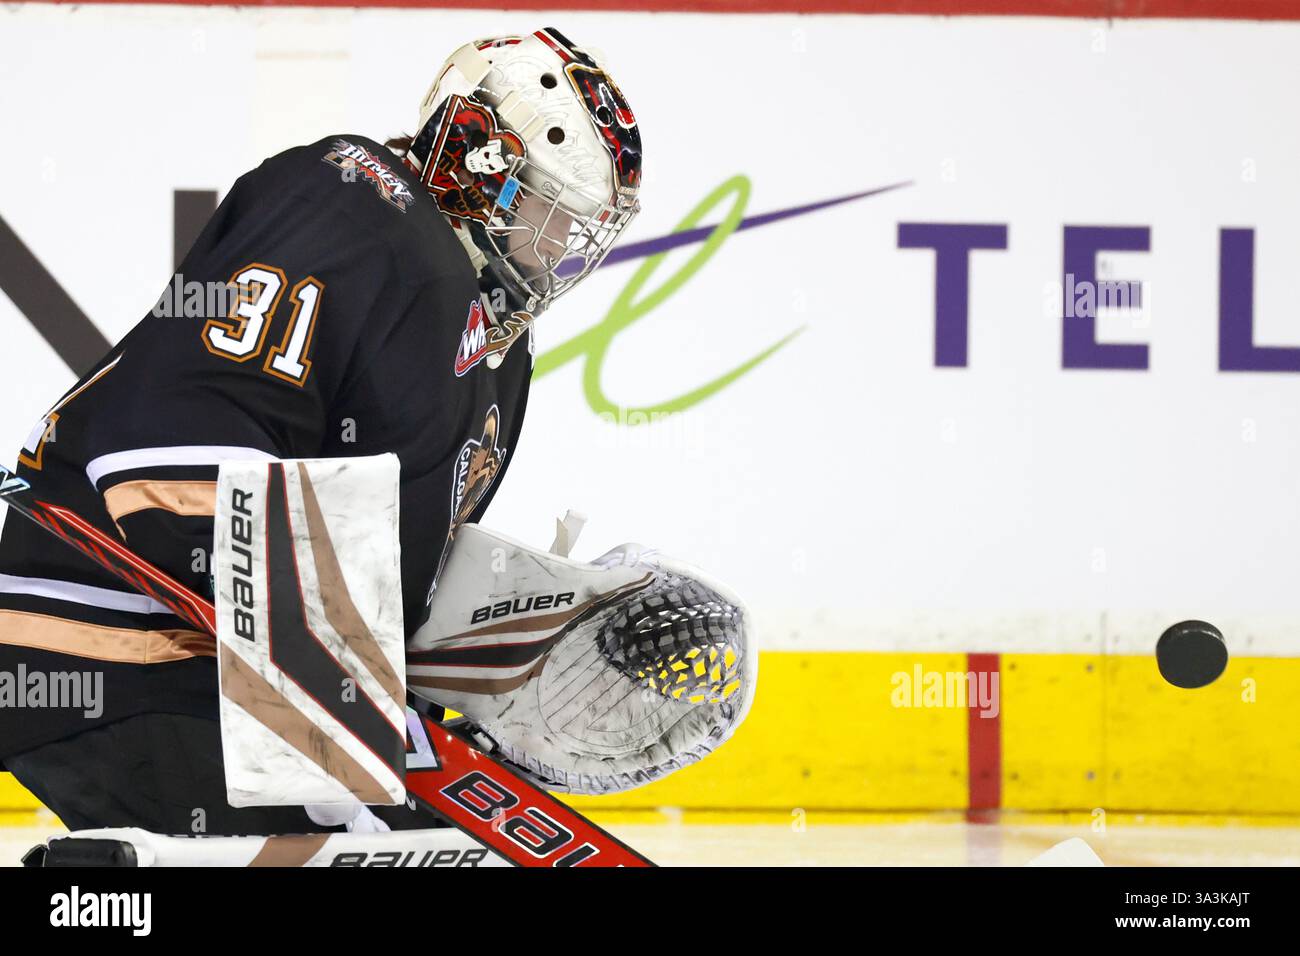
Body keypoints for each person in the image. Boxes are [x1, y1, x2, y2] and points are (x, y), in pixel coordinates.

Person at [0, 27, 642, 836]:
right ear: (485, 164)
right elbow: (173, 441)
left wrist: (527, 636)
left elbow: (395, 588)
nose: (559, 249)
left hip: (252, 699)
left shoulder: (498, 364)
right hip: (114, 652)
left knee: (442, 838)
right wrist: (330, 675)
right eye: (552, 211)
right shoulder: (355, 200)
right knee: (394, 841)